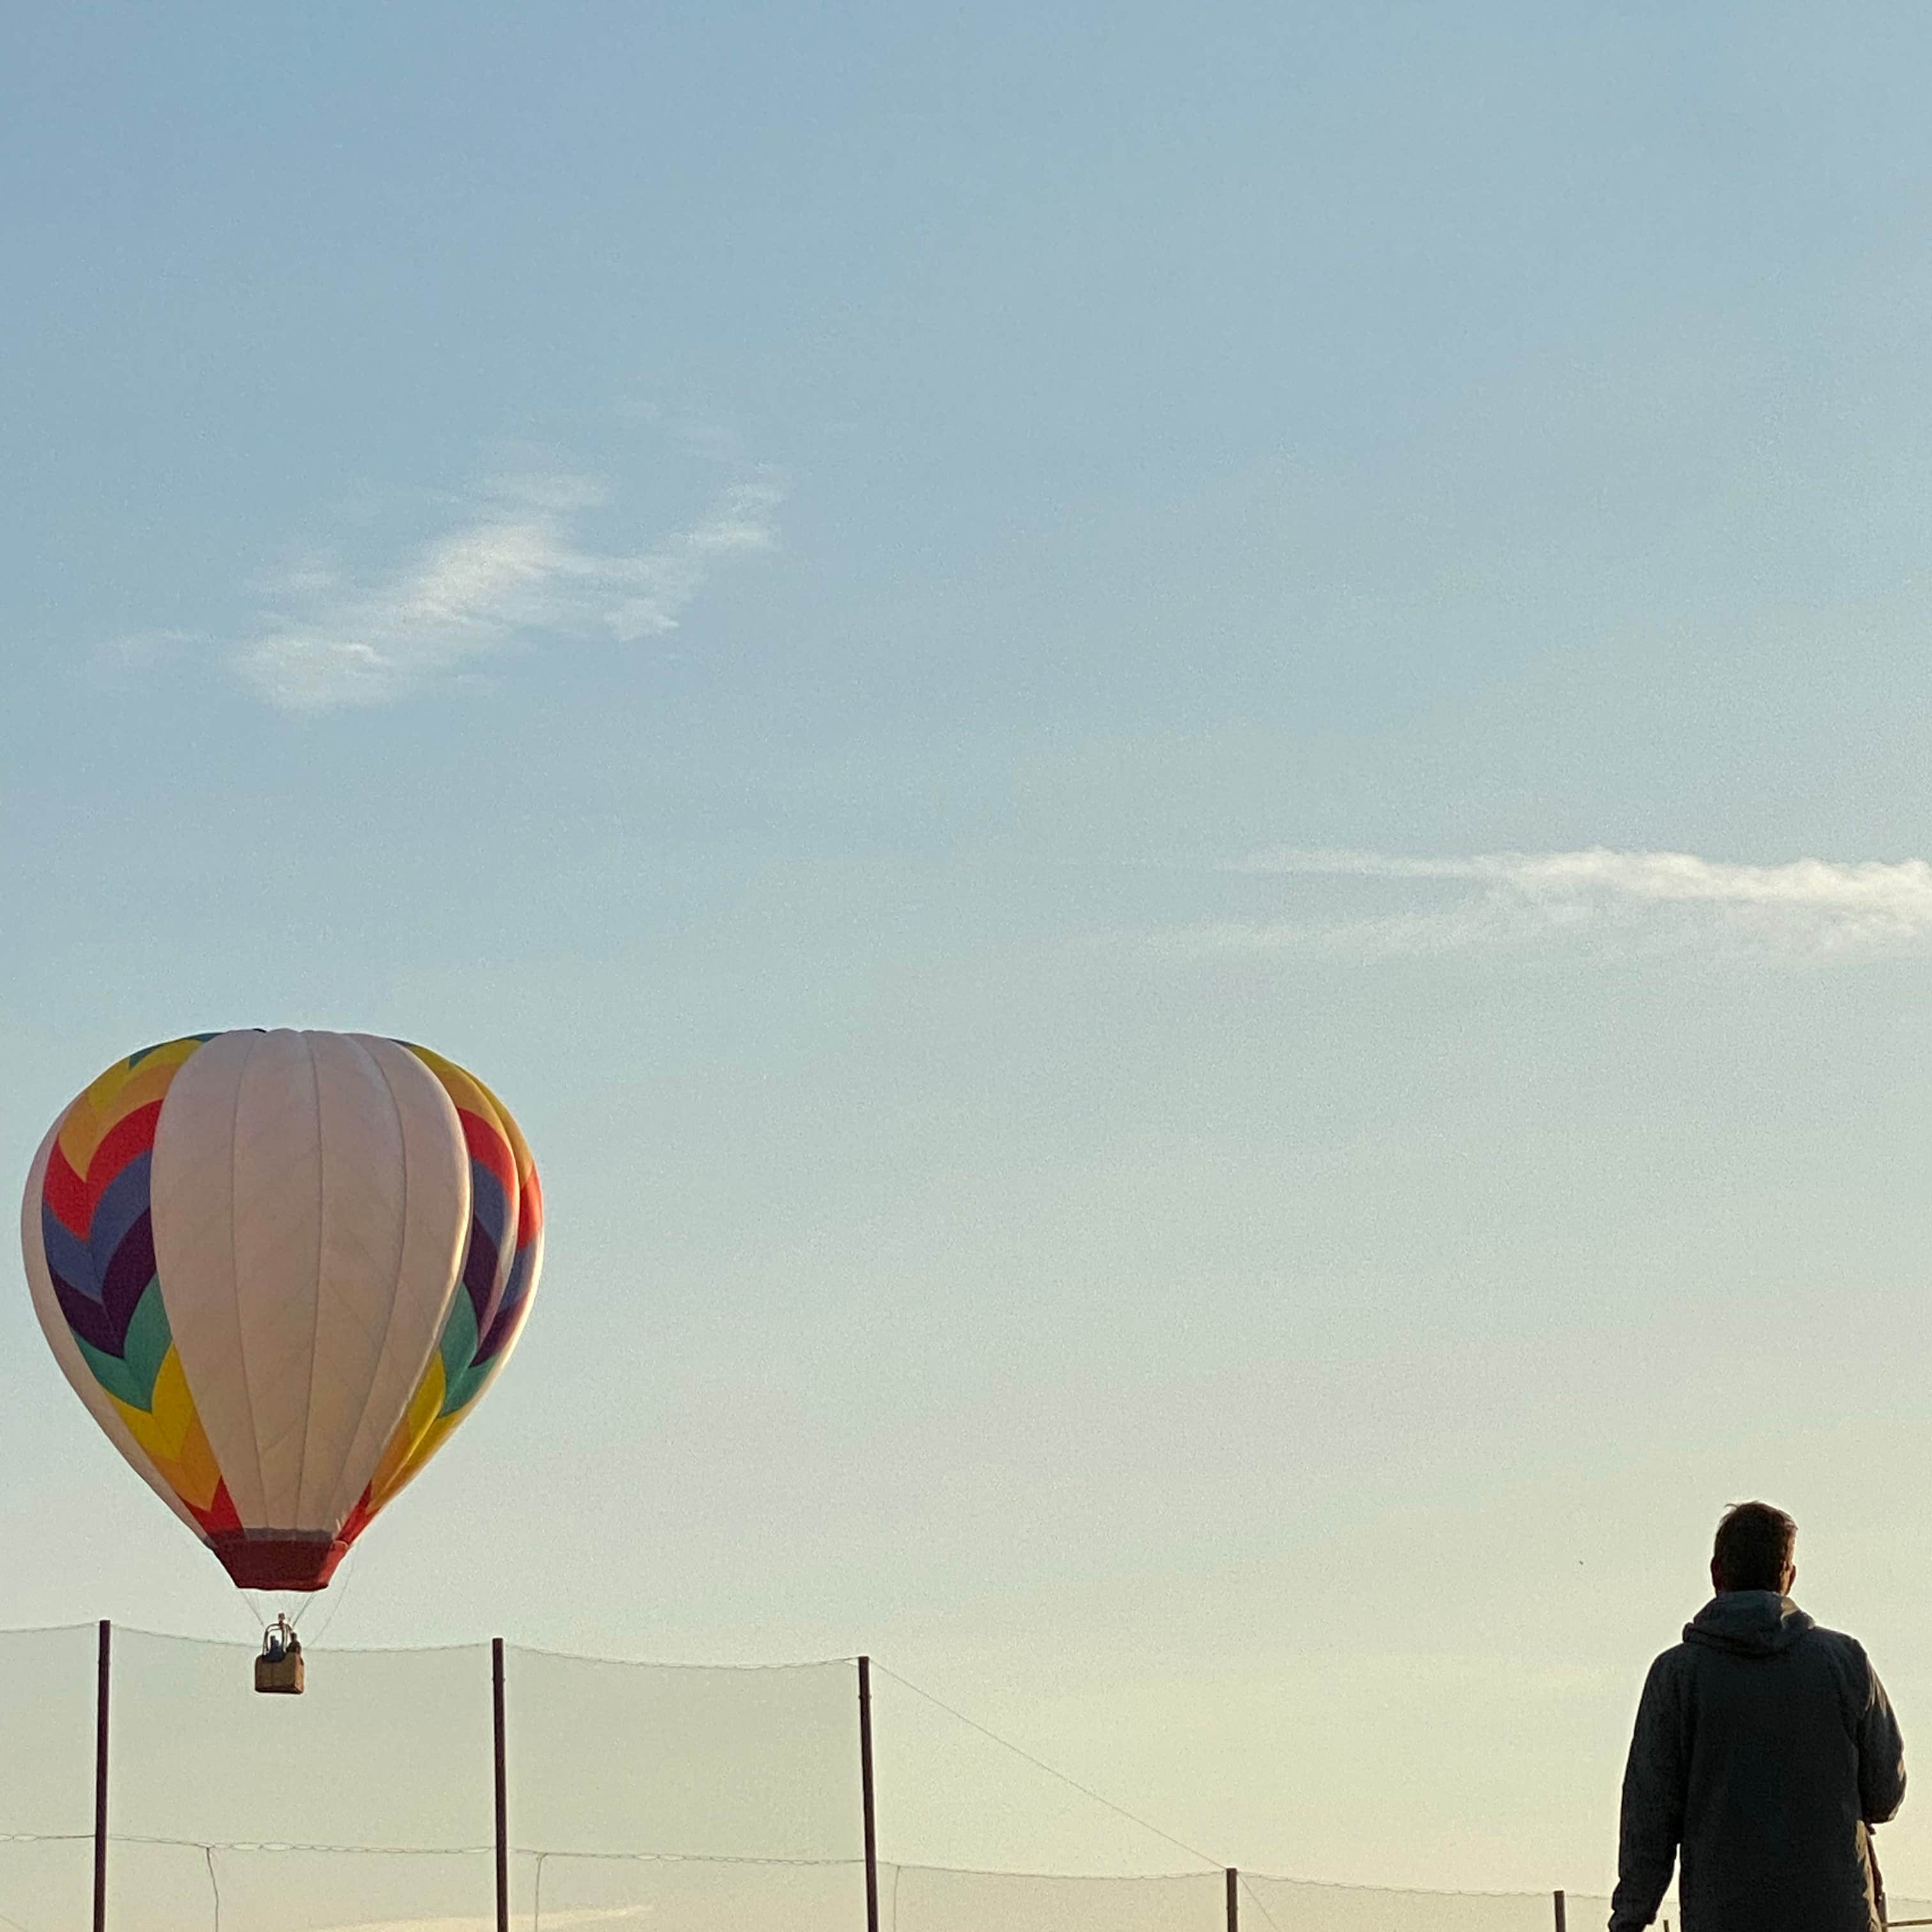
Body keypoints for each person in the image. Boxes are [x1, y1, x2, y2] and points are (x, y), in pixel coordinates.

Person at [1610, 1501, 1905, 1932]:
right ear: (1788, 1574)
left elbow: (1649, 1817)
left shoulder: (1677, 1676)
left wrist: (1631, 1918)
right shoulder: (1846, 1663)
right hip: (1838, 1915)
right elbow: (1885, 1796)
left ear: (1716, 1572)